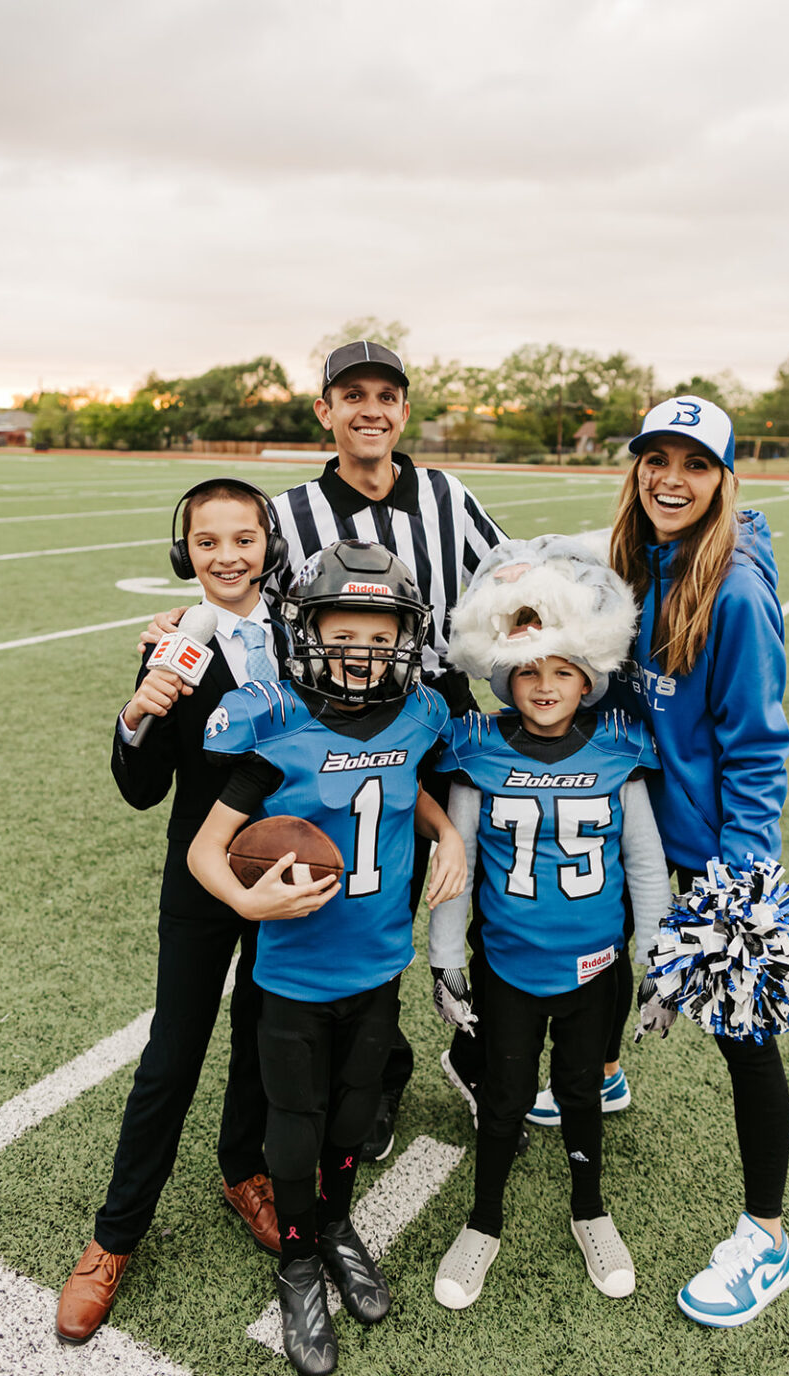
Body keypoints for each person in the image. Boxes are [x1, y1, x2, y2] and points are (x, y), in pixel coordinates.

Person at [147, 340, 509, 1158]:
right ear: (327, 411)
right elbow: (243, 596)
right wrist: (183, 622)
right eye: (353, 396)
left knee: (453, 885)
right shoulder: (291, 512)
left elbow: (508, 575)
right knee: (358, 890)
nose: (370, 410)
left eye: (386, 395)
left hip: (432, 706)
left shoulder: (449, 495)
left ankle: (474, 1050)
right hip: (334, 719)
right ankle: (376, 1076)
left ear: (404, 410)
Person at [188, 539, 466, 1376]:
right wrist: (244, 901)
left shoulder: (420, 715)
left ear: (405, 641)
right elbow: (207, 849)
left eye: (380, 638)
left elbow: (400, 783)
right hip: (294, 977)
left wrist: (446, 831)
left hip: (378, 967)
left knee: (354, 1117)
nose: (360, 652)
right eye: (343, 631)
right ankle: (298, 1261)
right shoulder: (276, 721)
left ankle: (337, 1224)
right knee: (296, 1125)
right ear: (307, 630)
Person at [56, 478, 291, 1346]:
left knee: (268, 1033)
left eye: (243, 538)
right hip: (200, 871)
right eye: (206, 542)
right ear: (183, 553)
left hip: (290, 865)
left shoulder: (304, 631)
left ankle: (244, 1170)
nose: (227, 556)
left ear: (268, 542)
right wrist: (136, 714)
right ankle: (114, 1237)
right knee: (172, 1052)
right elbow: (140, 790)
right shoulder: (176, 647)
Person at [424, 540, 671, 1310]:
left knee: (579, 1093)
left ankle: (590, 1211)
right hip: (506, 967)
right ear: (504, 673)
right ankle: (483, 1222)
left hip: (594, 968)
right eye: (527, 670)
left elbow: (644, 868)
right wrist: (442, 961)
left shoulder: (619, 752)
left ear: (587, 677)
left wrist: (658, 958)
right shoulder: (479, 752)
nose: (544, 685)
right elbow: (455, 867)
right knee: (502, 1101)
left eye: (561, 670)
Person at [610, 395, 789, 1327]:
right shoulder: (639, 557)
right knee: (591, 949)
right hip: (636, 819)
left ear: (725, 479)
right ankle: (601, 1072)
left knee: (742, 1031)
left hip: (714, 850)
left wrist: (737, 888)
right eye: (656, 459)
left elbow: (759, 750)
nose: (669, 479)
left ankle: (765, 1236)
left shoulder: (735, 590)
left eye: (693, 464)